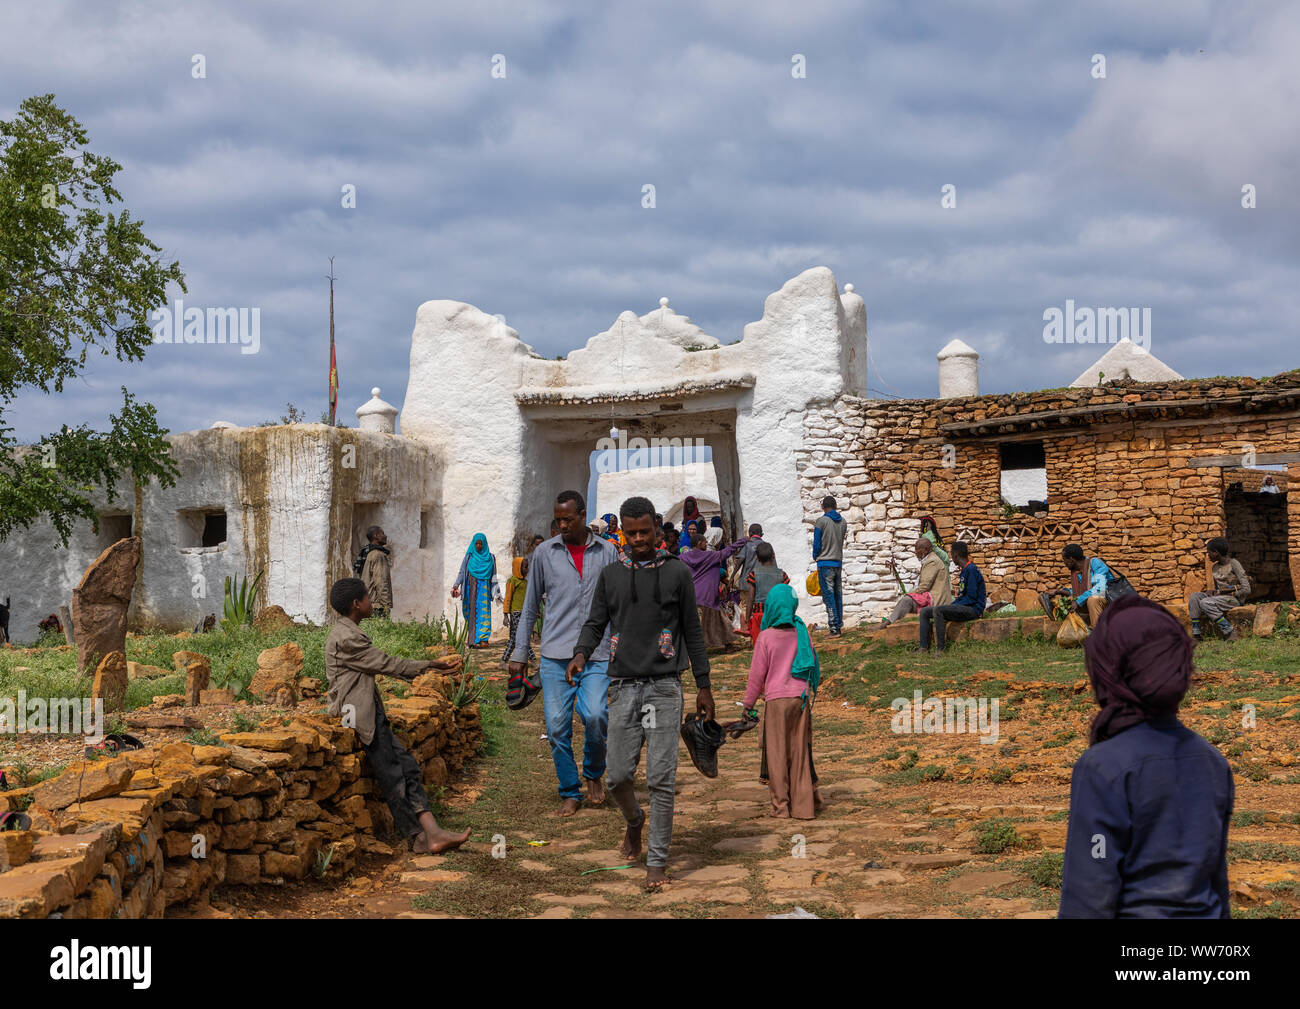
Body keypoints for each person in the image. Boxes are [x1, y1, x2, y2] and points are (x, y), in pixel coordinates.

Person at [569, 495, 711, 891]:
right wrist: (581, 653)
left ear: (656, 529)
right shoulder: (611, 576)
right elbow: (596, 622)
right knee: (615, 777)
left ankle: (657, 863)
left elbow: (693, 632)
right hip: (624, 687)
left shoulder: (677, 572)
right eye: (631, 533)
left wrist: (704, 685)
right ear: (624, 533)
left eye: (644, 531)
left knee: (662, 777)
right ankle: (634, 821)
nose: (638, 539)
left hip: (665, 686)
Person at [1059, 594, 1232, 918]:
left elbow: (1088, 897)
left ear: (1107, 668)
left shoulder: (1102, 768)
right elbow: (1217, 885)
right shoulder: (1213, 762)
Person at [325, 577, 470, 853]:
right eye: (368, 597)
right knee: (394, 774)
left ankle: (431, 834)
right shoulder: (346, 637)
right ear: (357, 604)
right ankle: (419, 837)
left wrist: (428, 667)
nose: (372, 601)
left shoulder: (347, 632)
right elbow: (386, 664)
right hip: (357, 716)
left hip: (368, 712)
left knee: (406, 768)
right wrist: (428, 665)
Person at [510, 490, 619, 816]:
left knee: (597, 717)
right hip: (556, 655)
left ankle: (593, 773)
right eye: (557, 520)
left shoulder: (607, 552)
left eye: (568, 520)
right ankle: (570, 792)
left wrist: (622, 646)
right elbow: (530, 606)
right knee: (557, 727)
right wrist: (519, 652)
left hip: (598, 654)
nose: (562, 525)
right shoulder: (545, 553)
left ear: (583, 515)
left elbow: (618, 603)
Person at [743, 584, 822, 819]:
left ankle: (780, 807)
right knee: (800, 753)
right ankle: (804, 807)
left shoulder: (766, 637)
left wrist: (748, 705)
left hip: (776, 702)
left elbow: (757, 676)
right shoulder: (801, 633)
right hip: (800, 699)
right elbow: (813, 661)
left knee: (776, 755)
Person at [679, 530, 748, 652]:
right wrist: (743, 541)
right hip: (708, 596)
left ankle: (728, 645)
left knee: (717, 619)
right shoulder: (710, 556)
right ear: (700, 543)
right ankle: (725, 645)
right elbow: (728, 551)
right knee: (717, 620)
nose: (706, 544)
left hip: (691, 596)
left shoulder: (683, 558)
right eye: (705, 542)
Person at [918, 541, 985, 652]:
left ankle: (940, 649)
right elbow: (964, 596)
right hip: (965, 606)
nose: (951, 558)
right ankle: (923, 647)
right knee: (925, 612)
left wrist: (953, 605)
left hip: (973, 609)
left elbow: (972, 598)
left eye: (951, 555)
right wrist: (953, 605)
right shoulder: (965, 570)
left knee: (939, 610)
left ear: (955, 555)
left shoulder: (971, 570)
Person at [1188, 538, 1249, 642]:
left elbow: (1246, 589)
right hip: (1221, 598)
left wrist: (1231, 592)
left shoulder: (1234, 564)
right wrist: (1213, 593)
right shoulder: (1215, 567)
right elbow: (1218, 589)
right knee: (1194, 597)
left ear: (1216, 553)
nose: (1208, 555)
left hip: (1234, 599)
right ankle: (1197, 635)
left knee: (1205, 602)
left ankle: (1230, 631)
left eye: (1209, 553)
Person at [1040, 544, 1117, 627]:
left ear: (1071, 560)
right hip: (1097, 599)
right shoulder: (1077, 572)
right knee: (1069, 601)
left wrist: (1078, 601)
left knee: (1092, 600)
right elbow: (1082, 591)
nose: (1064, 563)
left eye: (1064, 560)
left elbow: (1099, 588)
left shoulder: (1095, 563)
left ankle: (1099, 637)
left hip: (1111, 599)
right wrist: (1059, 592)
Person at [882, 537, 952, 625]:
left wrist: (911, 595)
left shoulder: (932, 561)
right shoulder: (930, 560)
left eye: (917, 549)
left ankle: (889, 623)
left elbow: (924, 586)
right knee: (908, 600)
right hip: (932, 597)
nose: (915, 552)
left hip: (936, 601)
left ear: (926, 550)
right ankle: (893, 621)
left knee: (907, 600)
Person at [452, 533, 501, 648]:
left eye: (481, 544)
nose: (478, 546)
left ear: (484, 544)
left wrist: (496, 593)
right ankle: (473, 640)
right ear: (473, 544)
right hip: (470, 589)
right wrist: (456, 585)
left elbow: (494, 576)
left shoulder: (491, 558)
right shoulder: (469, 557)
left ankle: (483, 639)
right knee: (471, 613)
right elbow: (462, 572)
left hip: (483, 591)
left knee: (484, 613)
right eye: (477, 544)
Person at [813, 496, 846, 636]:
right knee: (838, 594)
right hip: (837, 561)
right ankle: (838, 624)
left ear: (823, 507)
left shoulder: (821, 522)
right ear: (836, 506)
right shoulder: (843, 522)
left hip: (825, 563)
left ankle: (833, 628)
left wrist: (816, 556)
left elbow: (817, 544)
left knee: (828, 595)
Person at [745, 541, 791, 645]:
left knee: (760, 644)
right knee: (777, 643)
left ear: (757, 558)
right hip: (777, 614)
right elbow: (786, 596)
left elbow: (751, 598)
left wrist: (747, 619)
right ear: (773, 556)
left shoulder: (753, 574)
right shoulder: (782, 575)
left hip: (759, 615)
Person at [501, 557, 533, 664]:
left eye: (527, 567)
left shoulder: (525, 582)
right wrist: (505, 615)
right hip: (516, 613)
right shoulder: (512, 581)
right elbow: (507, 598)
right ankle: (533, 660)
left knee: (514, 639)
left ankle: (503, 661)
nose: (527, 569)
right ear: (518, 568)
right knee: (523, 636)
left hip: (524, 613)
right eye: (525, 567)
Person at [357, 526, 393, 618]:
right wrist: (386, 606)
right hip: (378, 605)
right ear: (376, 536)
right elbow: (381, 581)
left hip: (368, 602)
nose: (385, 536)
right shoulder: (378, 555)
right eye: (383, 533)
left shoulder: (367, 553)